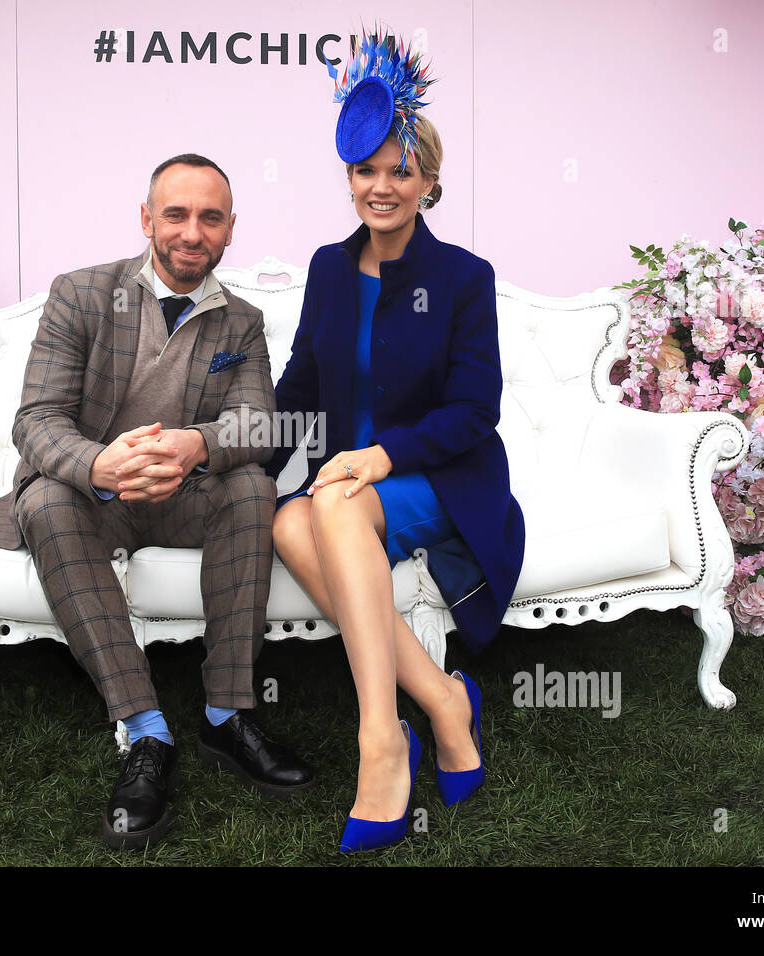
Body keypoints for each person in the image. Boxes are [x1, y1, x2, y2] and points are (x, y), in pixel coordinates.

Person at [0, 154, 315, 850]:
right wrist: (103, 463)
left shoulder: (241, 322)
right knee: (44, 504)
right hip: (95, 494)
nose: (192, 232)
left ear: (230, 229)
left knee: (252, 484)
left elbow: (256, 424)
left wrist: (193, 446)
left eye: (210, 217)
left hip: (183, 495)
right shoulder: (82, 294)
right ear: (147, 219)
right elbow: (36, 420)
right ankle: (146, 733)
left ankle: (227, 713)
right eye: (177, 214)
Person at [266, 33, 525, 853]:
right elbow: (301, 390)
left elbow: (475, 409)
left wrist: (379, 458)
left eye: (399, 171)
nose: (381, 187)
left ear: (429, 183)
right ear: (349, 178)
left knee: (333, 502)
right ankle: (444, 701)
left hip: (442, 482)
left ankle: (380, 743)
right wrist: (240, 462)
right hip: (355, 488)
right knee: (283, 520)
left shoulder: (463, 278)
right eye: (365, 170)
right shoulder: (328, 269)